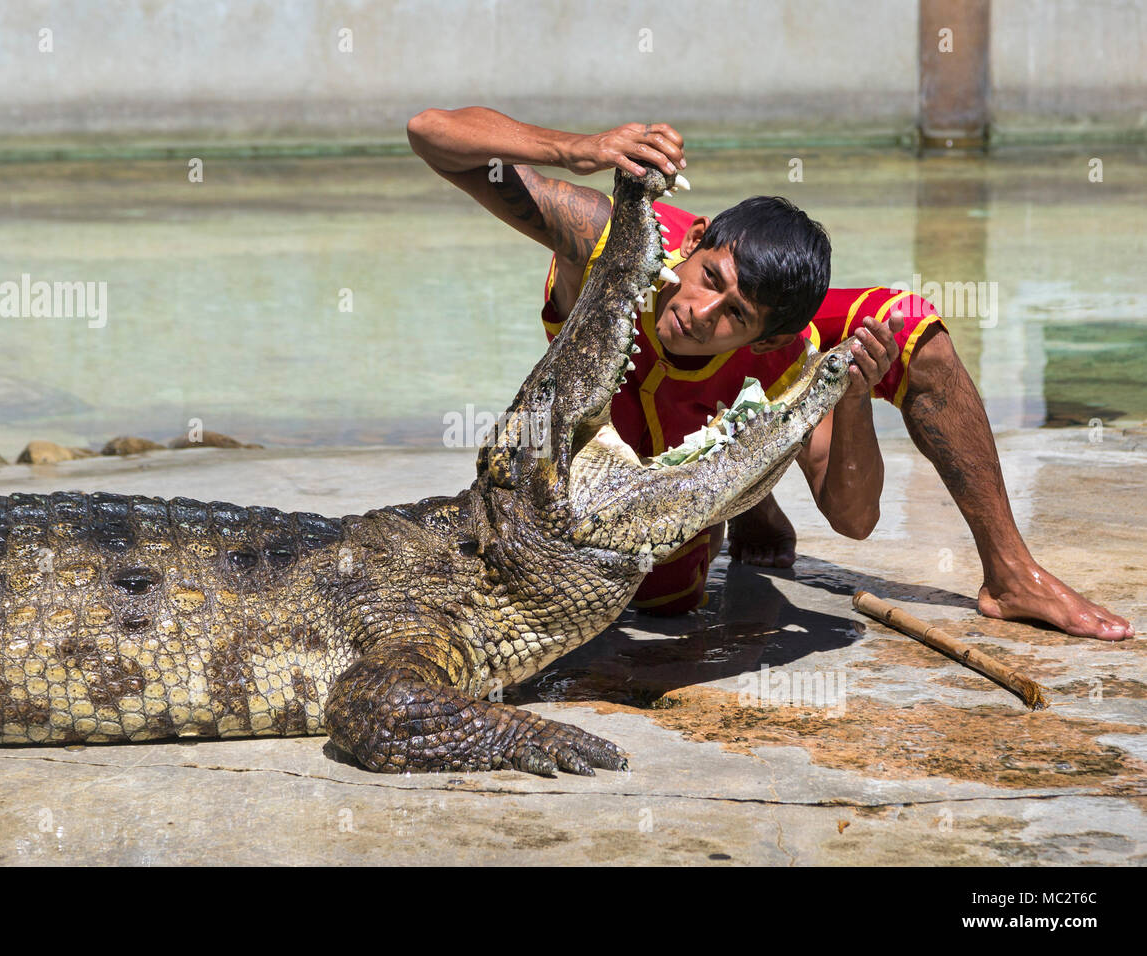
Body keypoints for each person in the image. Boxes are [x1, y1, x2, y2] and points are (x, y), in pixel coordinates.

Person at [407, 106, 1134, 641]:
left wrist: (851, 401)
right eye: (708, 277)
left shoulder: (788, 351)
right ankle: (749, 501)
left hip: (739, 400)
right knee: (660, 596)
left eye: (734, 313)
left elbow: (853, 521)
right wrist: (575, 147)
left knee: (916, 330)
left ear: (768, 336)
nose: (699, 310)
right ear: (692, 242)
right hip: (612, 460)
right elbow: (430, 134)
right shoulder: (620, 245)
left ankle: (1009, 574)